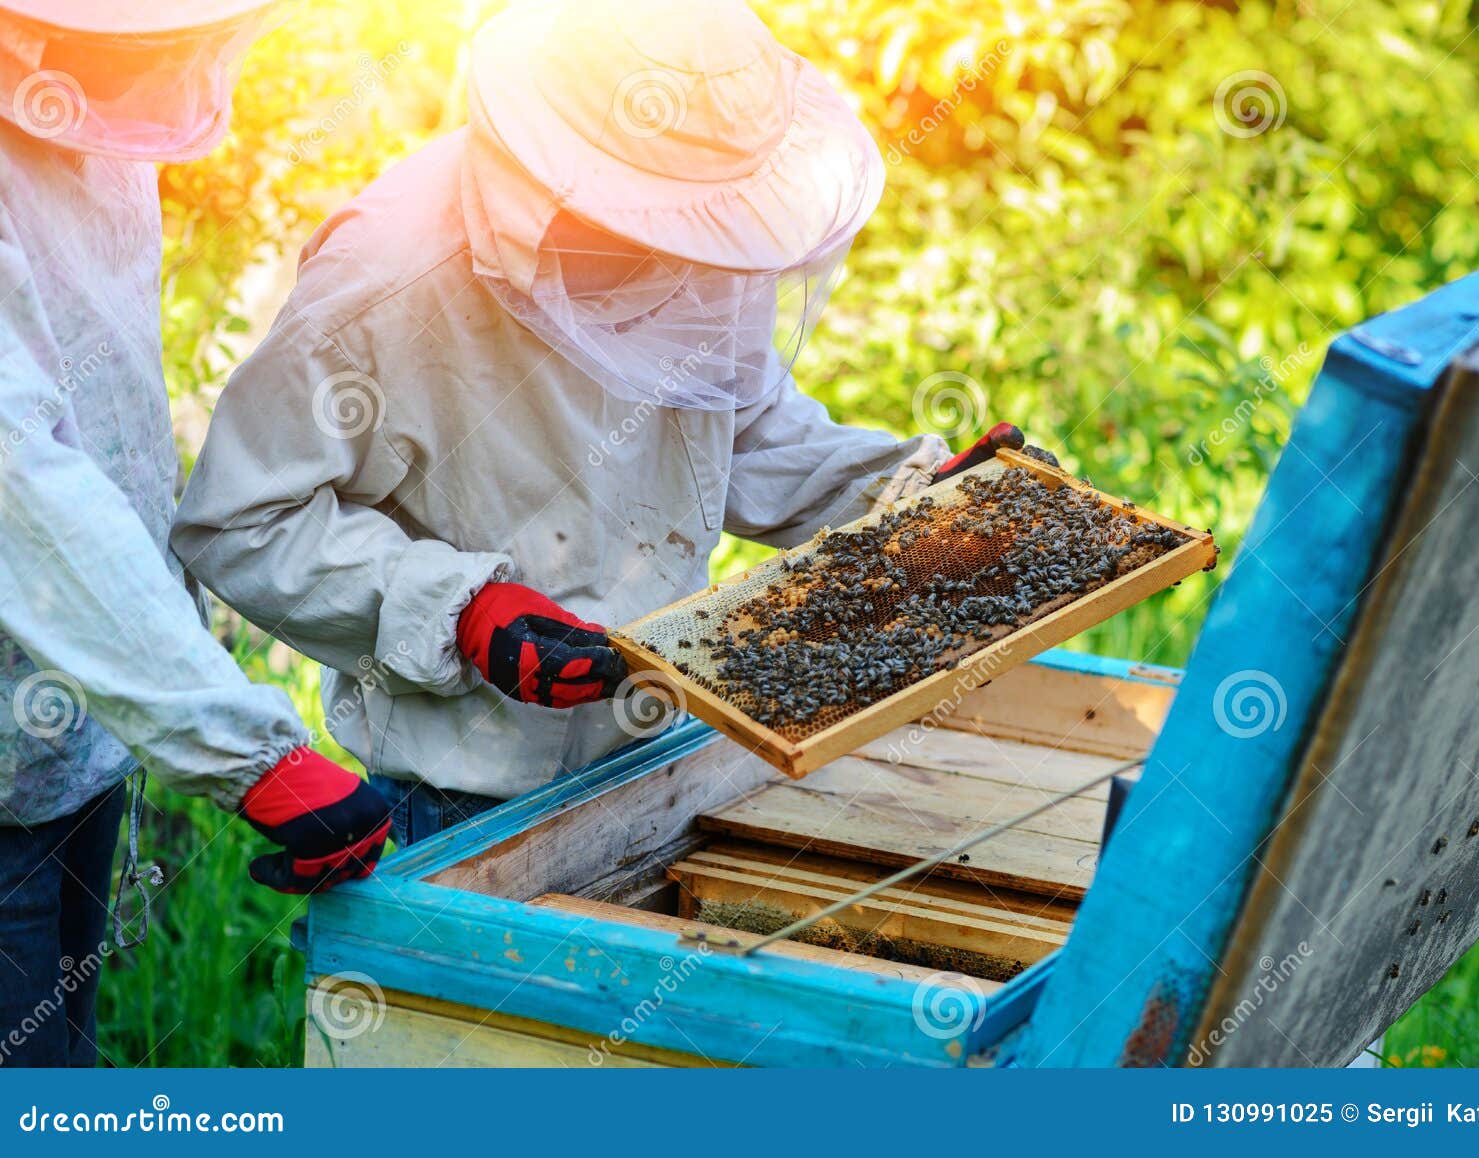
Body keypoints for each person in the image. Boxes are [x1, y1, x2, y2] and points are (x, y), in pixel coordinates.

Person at [170, 0, 1046, 848]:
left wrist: (907, 497)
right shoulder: (387, 280)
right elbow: (240, 521)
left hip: (664, 749)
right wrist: (457, 606)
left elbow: (734, 434)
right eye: (657, 225)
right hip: (464, 794)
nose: (686, 256)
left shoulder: (707, 225)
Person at [0, 0, 390, 1067]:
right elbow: (15, 480)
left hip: (76, 722)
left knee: (56, 1063)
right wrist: (245, 749)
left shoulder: (83, 122)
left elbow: (94, 407)